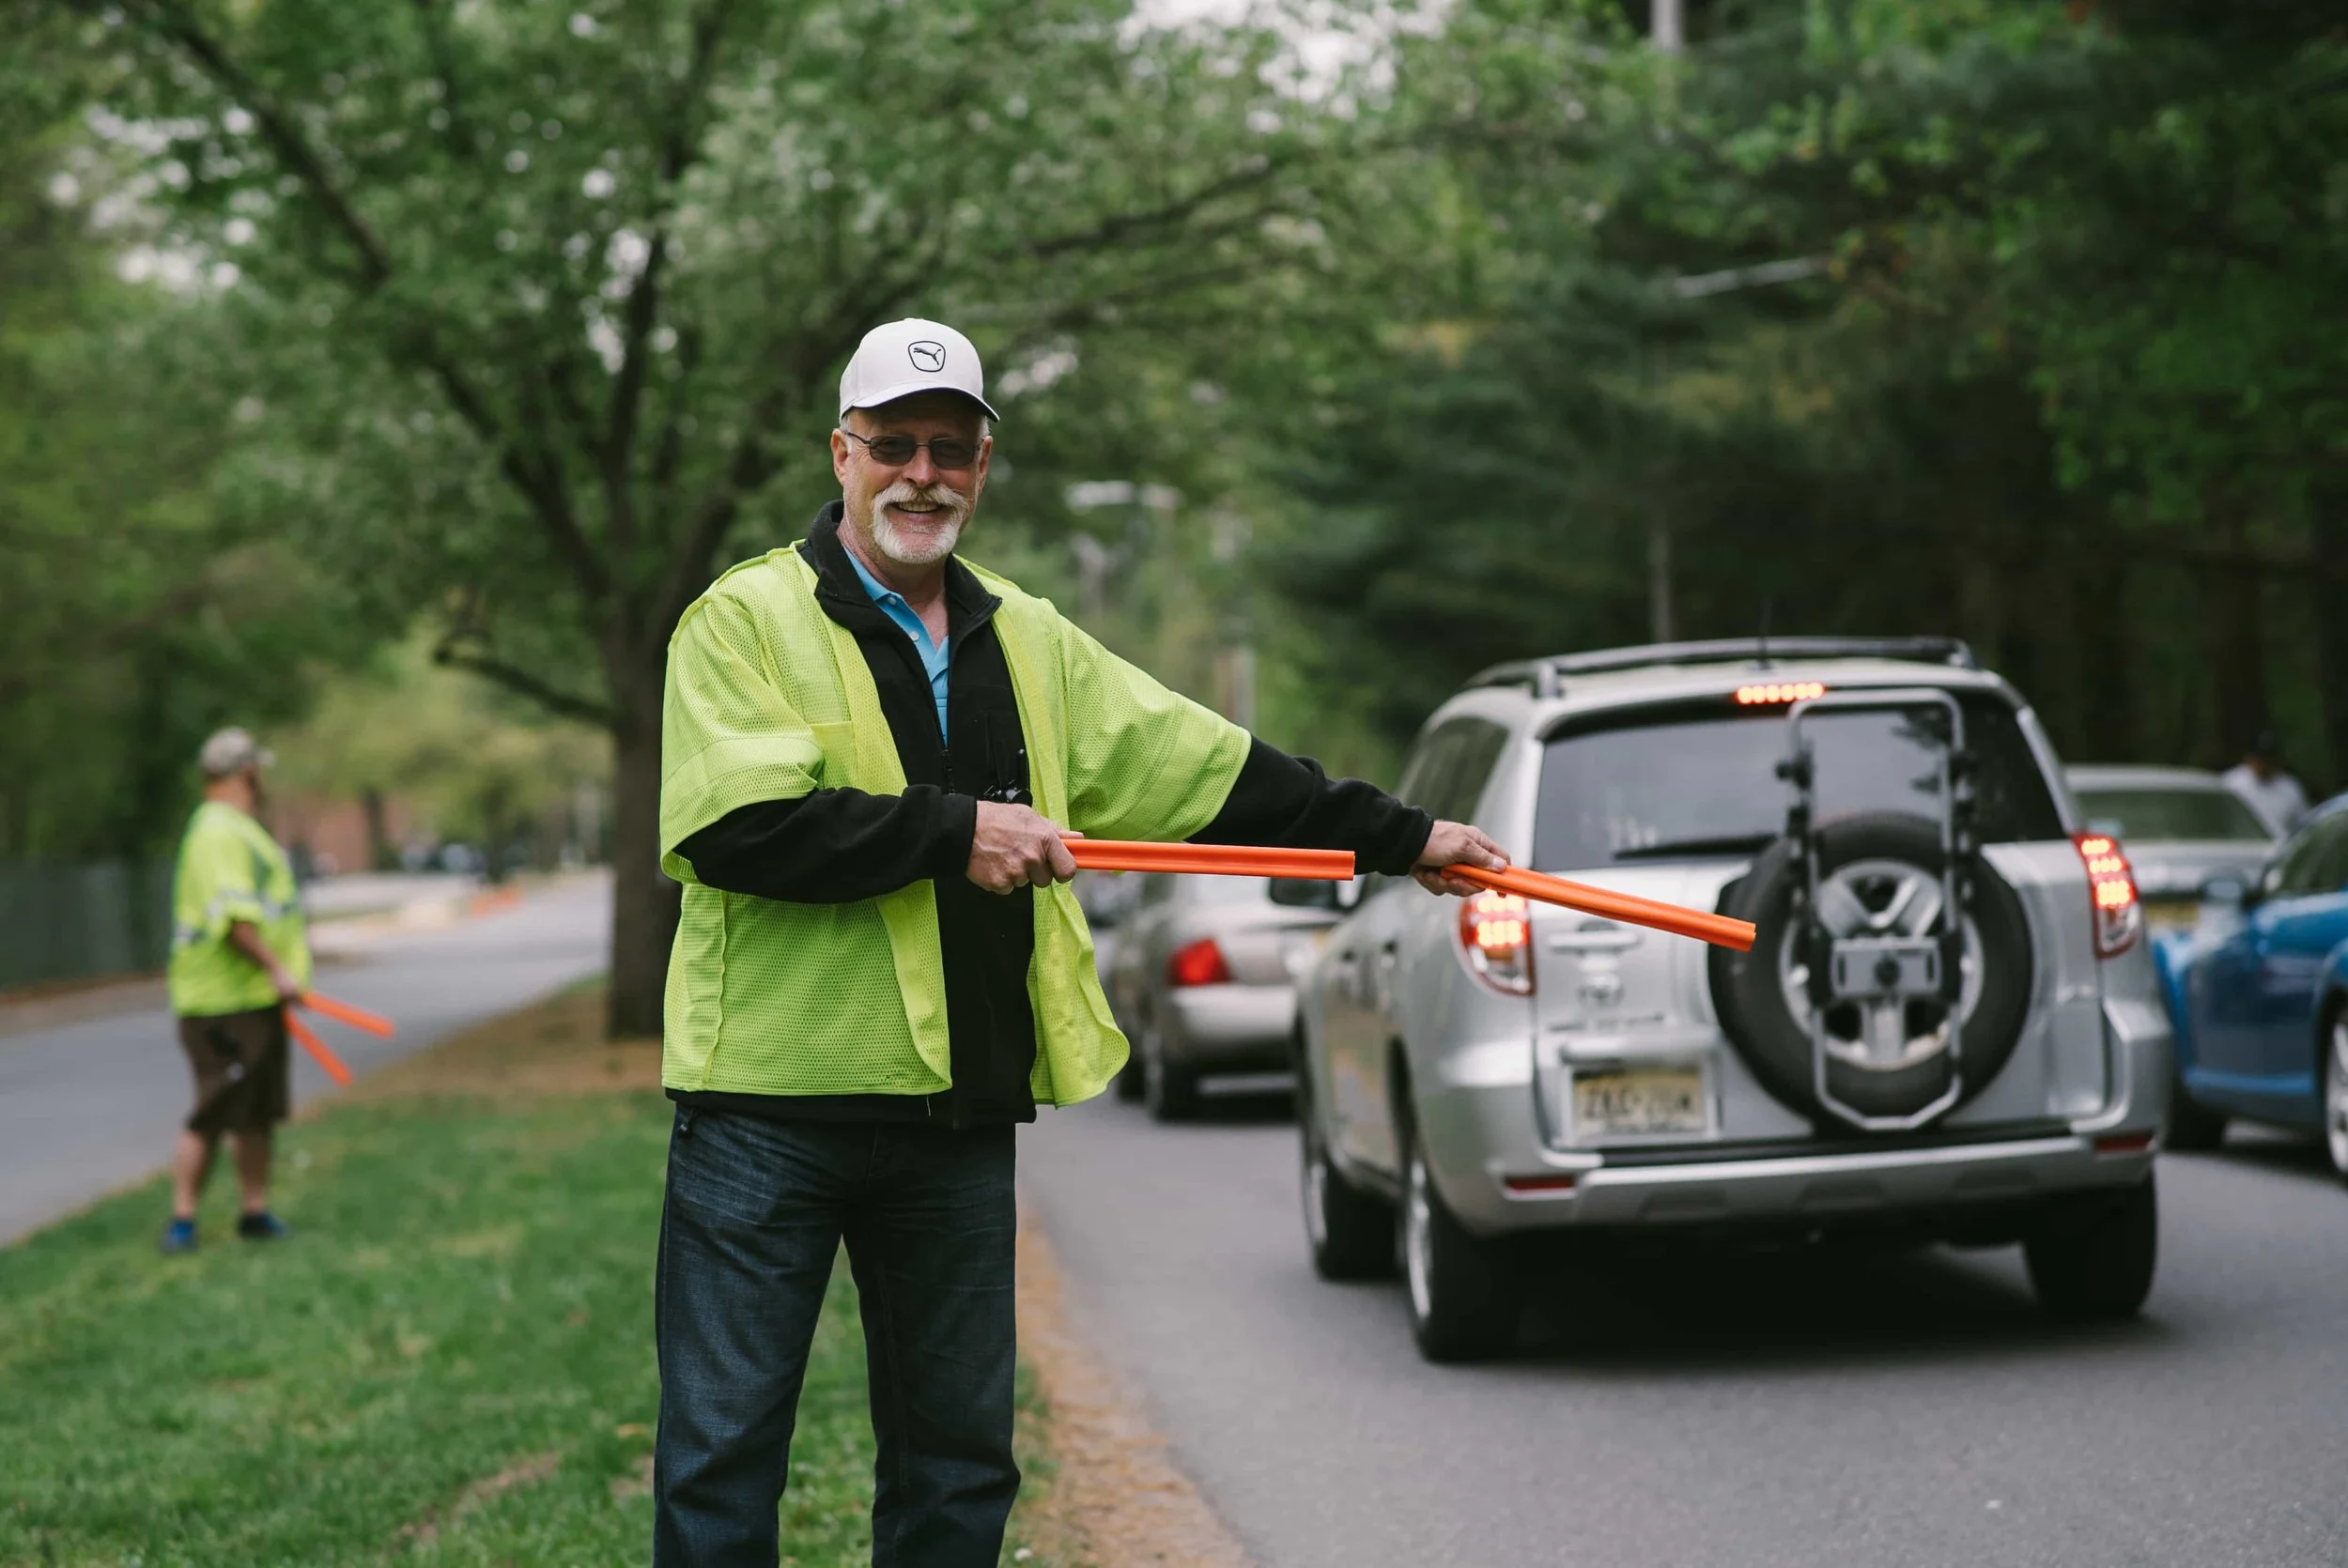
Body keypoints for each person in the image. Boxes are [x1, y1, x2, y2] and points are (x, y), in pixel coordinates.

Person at [652, 317, 1507, 1566]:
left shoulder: (1029, 637)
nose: (922, 473)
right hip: (766, 1113)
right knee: (723, 1466)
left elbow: (1208, 770)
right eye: (893, 444)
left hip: (957, 1116)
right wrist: (955, 832)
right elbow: (736, 827)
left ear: (984, 465)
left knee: (957, 1469)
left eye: (951, 448)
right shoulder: (744, 621)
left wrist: (1406, 832)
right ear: (840, 452)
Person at [160, 728, 311, 1253]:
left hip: (250, 998)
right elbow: (233, 921)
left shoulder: (238, 829)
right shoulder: (218, 832)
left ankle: (254, 1211)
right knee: (213, 1110)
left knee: (257, 1111)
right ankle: (182, 1221)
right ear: (247, 772)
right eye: (260, 770)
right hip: (220, 1000)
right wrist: (278, 970)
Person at [2221, 729, 2311, 834]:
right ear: (2249, 758)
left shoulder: (2290, 787)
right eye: (2260, 758)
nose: (2264, 764)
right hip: (2243, 847)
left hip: (2281, 846)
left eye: (2269, 758)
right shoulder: (2231, 783)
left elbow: (2304, 824)